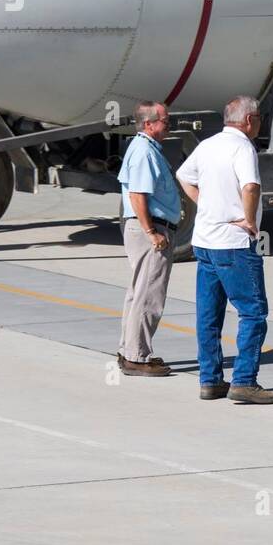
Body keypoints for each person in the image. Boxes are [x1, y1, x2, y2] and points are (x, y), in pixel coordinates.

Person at [176, 95, 273, 404]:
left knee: (208, 315)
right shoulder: (243, 147)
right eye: (259, 118)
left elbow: (183, 175)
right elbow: (251, 186)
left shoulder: (208, 144)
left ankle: (210, 380)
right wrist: (249, 220)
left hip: (205, 242)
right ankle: (244, 381)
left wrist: (206, 205)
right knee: (253, 312)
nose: (260, 122)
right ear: (249, 120)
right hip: (234, 244)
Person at [117, 101, 181, 377]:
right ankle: (137, 357)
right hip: (151, 229)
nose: (169, 126)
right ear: (148, 124)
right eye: (165, 121)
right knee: (149, 295)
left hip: (148, 227)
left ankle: (129, 349)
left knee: (138, 293)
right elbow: (138, 195)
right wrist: (151, 232)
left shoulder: (145, 148)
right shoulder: (144, 151)